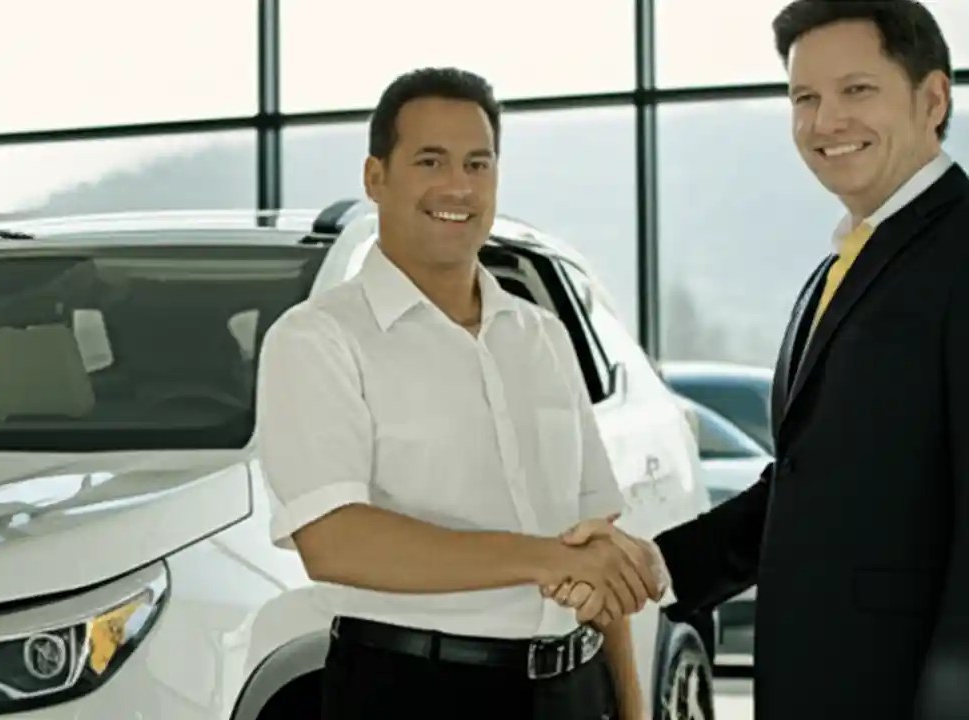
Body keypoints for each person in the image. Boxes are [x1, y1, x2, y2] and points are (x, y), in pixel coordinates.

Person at [548, 1, 969, 718]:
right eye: (805, 98)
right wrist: (660, 562)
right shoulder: (846, 262)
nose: (825, 121)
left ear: (933, 99)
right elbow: (810, 483)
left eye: (856, 90)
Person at [254, 67, 664, 719]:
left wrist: (633, 707)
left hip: (575, 691)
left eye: (478, 163)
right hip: (415, 693)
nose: (458, 186)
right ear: (375, 177)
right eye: (430, 161)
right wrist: (540, 560)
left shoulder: (542, 336)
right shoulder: (318, 340)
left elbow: (595, 547)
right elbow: (334, 541)